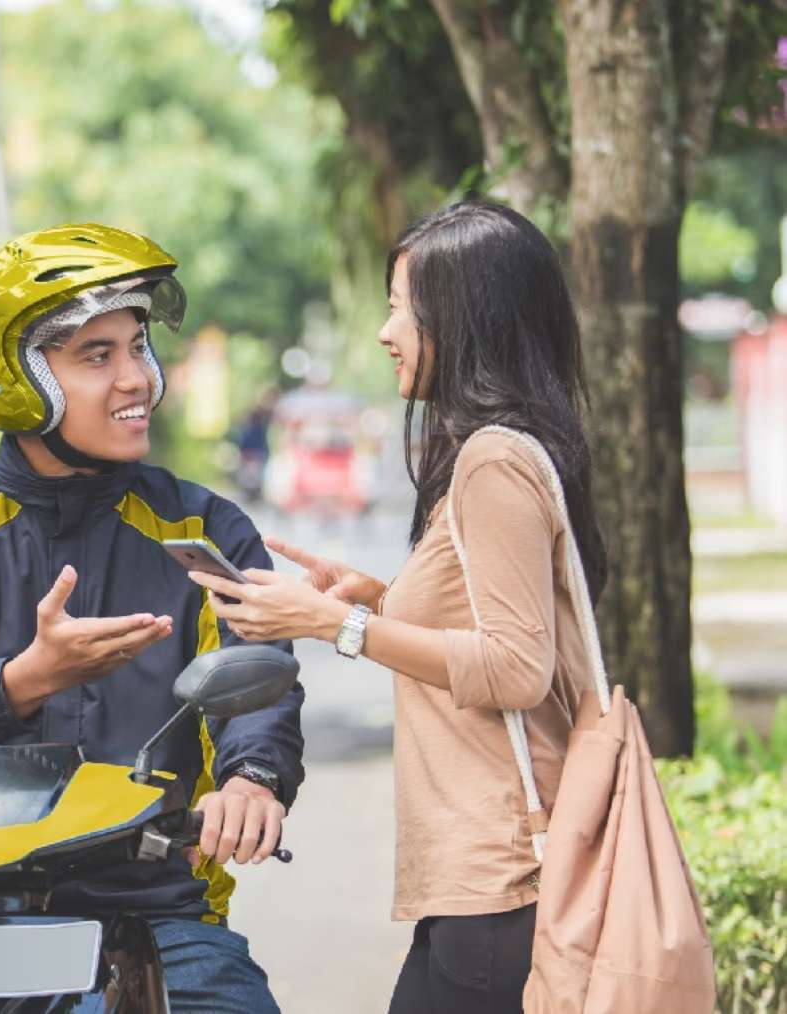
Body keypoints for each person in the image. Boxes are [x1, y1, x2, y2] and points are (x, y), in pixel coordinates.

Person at [0, 222, 305, 1013]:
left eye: (139, 347)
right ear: (18, 379)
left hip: (155, 913)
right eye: (98, 355)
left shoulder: (205, 531)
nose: (138, 379)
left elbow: (257, 690)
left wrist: (252, 780)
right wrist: (22, 682)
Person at [185, 201, 606, 1014]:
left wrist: (333, 626)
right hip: (489, 880)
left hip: (503, 878)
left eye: (400, 306)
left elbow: (518, 667)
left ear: (465, 318)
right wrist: (380, 597)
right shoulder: (511, 448)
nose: (386, 331)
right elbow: (496, 619)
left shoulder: (492, 460)